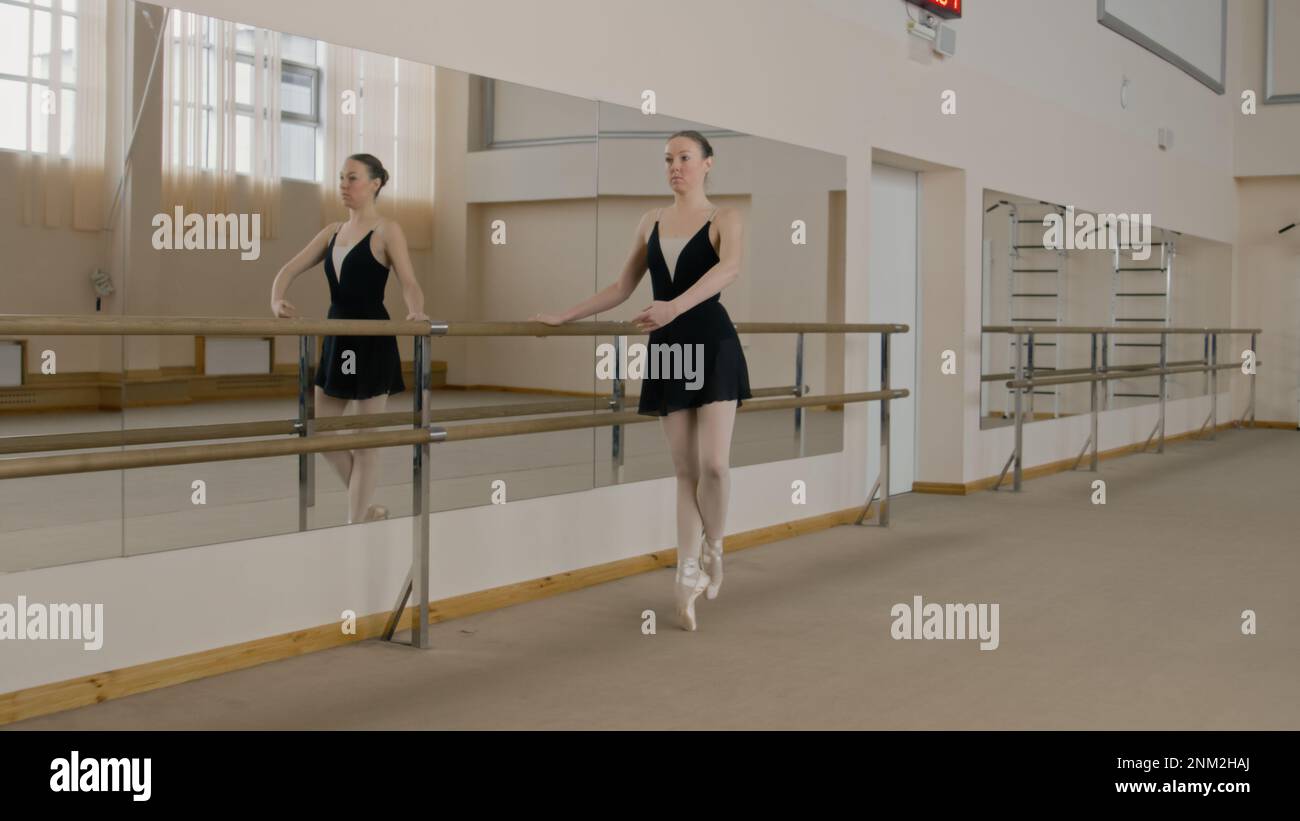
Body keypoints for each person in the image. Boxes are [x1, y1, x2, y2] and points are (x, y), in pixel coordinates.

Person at [534, 130, 751, 630]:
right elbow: (621, 286)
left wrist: (674, 305)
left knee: (715, 464)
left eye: (685, 158)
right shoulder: (649, 221)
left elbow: (731, 269)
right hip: (668, 352)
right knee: (684, 470)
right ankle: (686, 572)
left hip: (712, 344)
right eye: (669, 159)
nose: (675, 166)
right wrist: (566, 316)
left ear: (708, 164)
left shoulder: (725, 218)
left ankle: (715, 545)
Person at [270, 153, 429, 524]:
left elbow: (409, 282)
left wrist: (416, 311)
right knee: (321, 433)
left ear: (375, 183)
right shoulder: (331, 232)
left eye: (352, 177)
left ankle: (354, 525)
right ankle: (367, 510)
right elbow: (288, 269)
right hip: (337, 336)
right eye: (341, 177)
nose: (344, 184)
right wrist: (276, 298)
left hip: (372, 336)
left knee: (365, 441)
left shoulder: (388, 230)